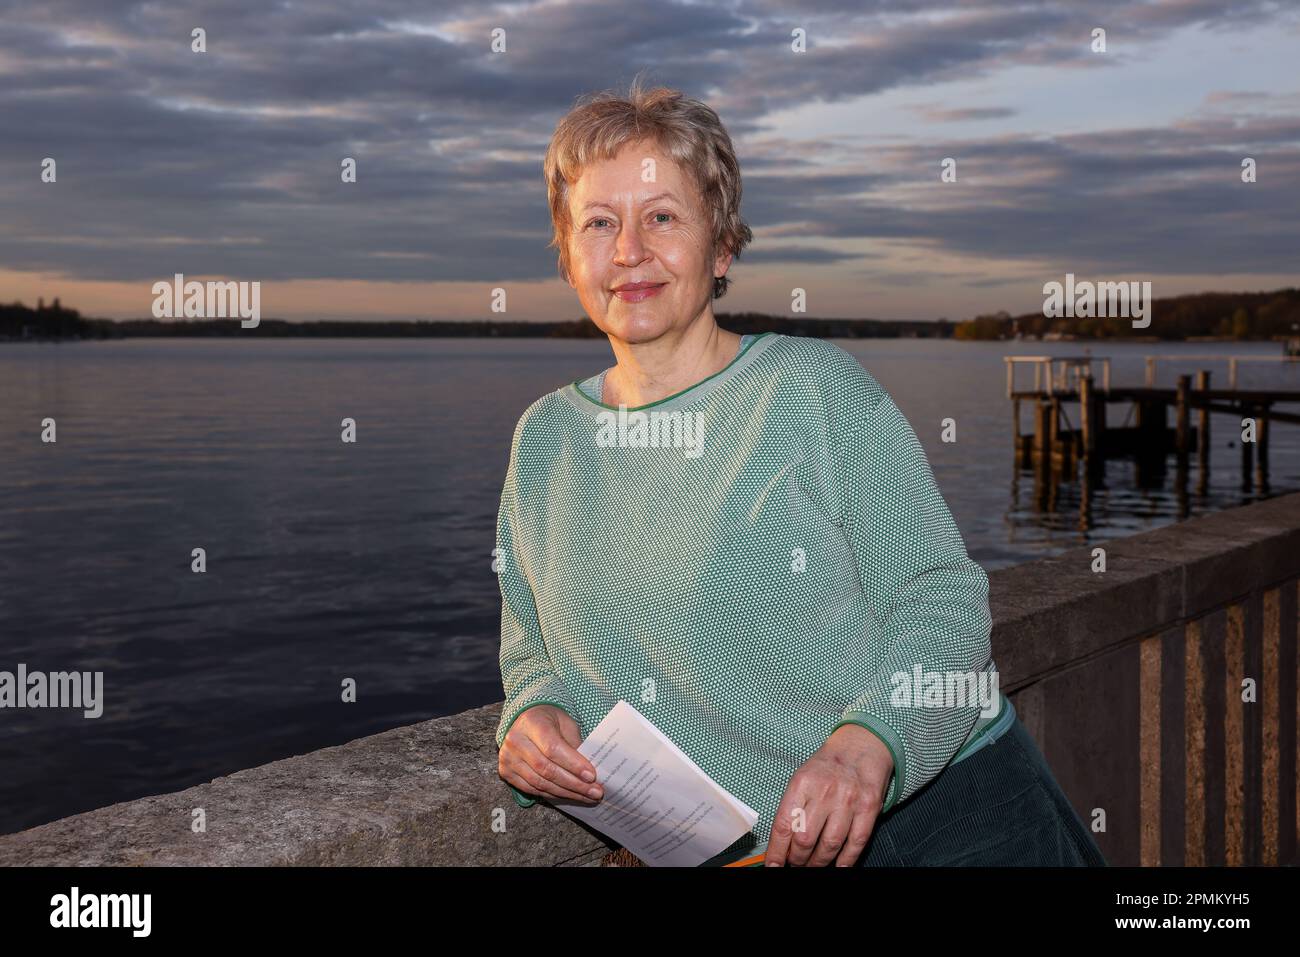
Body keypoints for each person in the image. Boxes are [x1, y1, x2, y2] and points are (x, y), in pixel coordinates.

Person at [493, 78, 1105, 867]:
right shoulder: (544, 440)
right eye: (600, 222)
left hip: (946, 821)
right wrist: (532, 714)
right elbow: (529, 644)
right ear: (567, 251)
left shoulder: (813, 390)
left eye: (663, 218)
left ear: (720, 247)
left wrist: (864, 744)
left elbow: (942, 598)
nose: (629, 251)